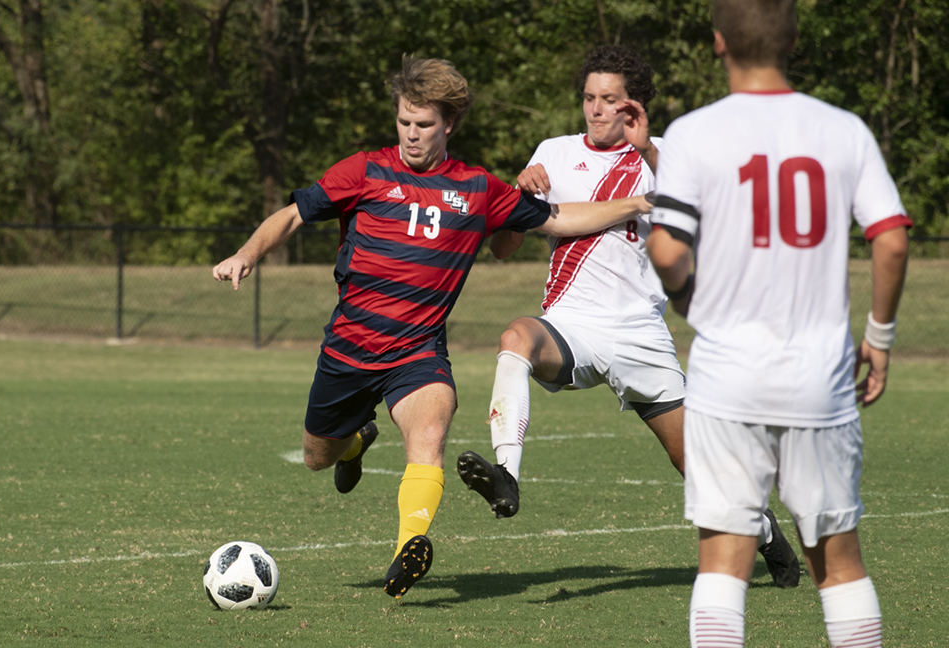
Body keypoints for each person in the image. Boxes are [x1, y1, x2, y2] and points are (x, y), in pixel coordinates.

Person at [213, 56, 653, 599]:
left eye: (424, 125)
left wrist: (636, 201)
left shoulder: (477, 187)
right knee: (316, 457)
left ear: (450, 125)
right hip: (349, 349)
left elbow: (559, 218)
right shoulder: (366, 171)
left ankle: (410, 546)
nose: (412, 135)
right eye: (404, 122)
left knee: (431, 433)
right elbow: (293, 214)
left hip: (417, 352)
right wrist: (246, 253)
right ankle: (353, 444)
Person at [454, 45, 801, 589]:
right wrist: (519, 195)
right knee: (515, 335)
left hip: (640, 335)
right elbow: (501, 249)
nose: (595, 110)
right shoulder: (555, 152)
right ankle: (507, 477)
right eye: (589, 98)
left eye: (609, 100)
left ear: (633, 106)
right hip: (570, 322)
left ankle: (765, 535)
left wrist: (651, 154)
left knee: (701, 471)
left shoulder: (667, 154)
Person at [646, 1, 911, 645]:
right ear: (793, 37)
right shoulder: (842, 128)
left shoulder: (693, 133)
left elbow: (666, 251)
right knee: (839, 564)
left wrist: (688, 298)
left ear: (716, 41)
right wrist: (877, 339)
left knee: (723, 563)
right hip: (819, 375)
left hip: (728, 376)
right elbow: (893, 240)